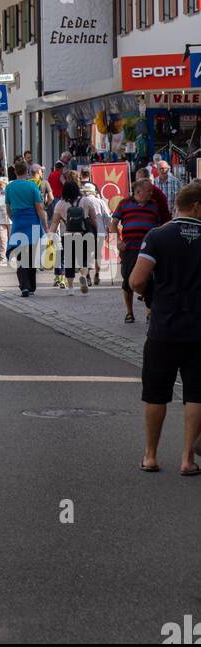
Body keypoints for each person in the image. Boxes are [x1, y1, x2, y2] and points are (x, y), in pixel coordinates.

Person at [129, 181, 201, 475]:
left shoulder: (157, 236)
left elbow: (135, 280)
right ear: (197, 206)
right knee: (196, 394)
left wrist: (150, 294)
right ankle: (187, 459)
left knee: (156, 393)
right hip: (198, 329)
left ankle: (150, 455)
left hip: (163, 328)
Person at [111, 176, 168, 324]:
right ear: (138, 191)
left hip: (149, 249)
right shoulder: (124, 204)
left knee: (149, 279)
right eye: (148, 191)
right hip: (129, 248)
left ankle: (150, 310)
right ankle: (129, 312)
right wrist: (117, 240)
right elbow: (113, 224)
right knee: (128, 280)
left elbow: (160, 225)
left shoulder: (154, 205)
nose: (151, 193)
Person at [5, 158, 48, 297]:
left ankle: (24, 286)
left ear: (15, 172)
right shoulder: (32, 186)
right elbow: (40, 208)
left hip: (18, 223)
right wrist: (45, 225)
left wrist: (14, 218)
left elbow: (8, 208)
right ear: (27, 172)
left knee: (20, 255)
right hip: (33, 223)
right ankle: (32, 286)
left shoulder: (9, 187)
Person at [49, 180, 94, 294]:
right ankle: (83, 275)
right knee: (83, 259)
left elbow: (54, 222)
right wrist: (96, 231)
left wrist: (50, 237)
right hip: (83, 234)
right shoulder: (85, 201)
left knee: (69, 262)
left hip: (67, 235)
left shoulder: (60, 204)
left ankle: (70, 288)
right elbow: (93, 218)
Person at [79, 176, 112, 285]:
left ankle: (87, 276)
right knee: (98, 254)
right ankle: (97, 275)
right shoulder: (100, 201)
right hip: (100, 231)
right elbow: (107, 217)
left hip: (85, 231)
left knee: (87, 254)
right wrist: (109, 228)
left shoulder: (81, 201)